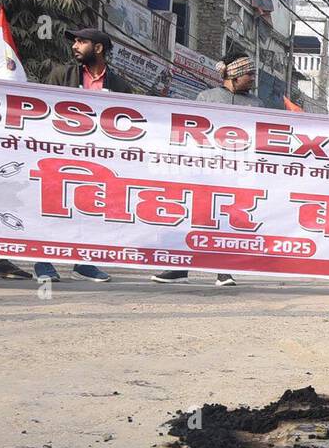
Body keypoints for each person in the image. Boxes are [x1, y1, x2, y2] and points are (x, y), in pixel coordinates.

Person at [151, 49, 264, 286]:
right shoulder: (206, 98)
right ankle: (179, 269)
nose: (253, 79)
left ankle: (224, 271)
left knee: (227, 222)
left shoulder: (257, 104)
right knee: (194, 219)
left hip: (238, 174)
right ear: (234, 75)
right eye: (249, 74)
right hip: (206, 172)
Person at [33, 27, 134, 283]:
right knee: (52, 208)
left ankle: (85, 264)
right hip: (59, 154)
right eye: (74, 42)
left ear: (98, 48)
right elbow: (44, 109)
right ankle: (43, 264)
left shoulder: (121, 86)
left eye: (81, 41)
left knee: (91, 210)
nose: (75, 46)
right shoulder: (60, 75)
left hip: (98, 160)